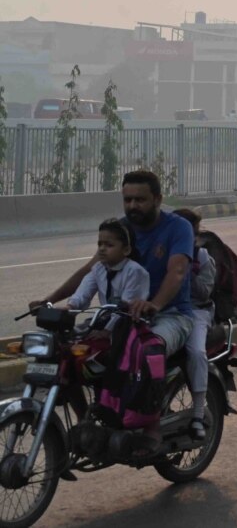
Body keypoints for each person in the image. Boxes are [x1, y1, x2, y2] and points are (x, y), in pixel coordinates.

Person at [30, 170, 195, 452]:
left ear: (157, 198)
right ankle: (88, 424)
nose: (133, 206)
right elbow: (90, 271)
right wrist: (50, 300)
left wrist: (154, 304)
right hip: (120, 319)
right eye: (127, 199)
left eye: (140, 200)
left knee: (146, 351)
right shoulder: (121, 229)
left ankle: (152, 428)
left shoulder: (178, 228)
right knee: (65, 353)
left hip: (170, 315)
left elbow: (177, 271)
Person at [172, 208, 217, 439]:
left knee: (196, 353)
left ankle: (199, 414)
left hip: (197, 311)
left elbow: (204, 293)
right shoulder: (164, 251)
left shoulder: (202, 258)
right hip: (169, 309)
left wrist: (186, 270)